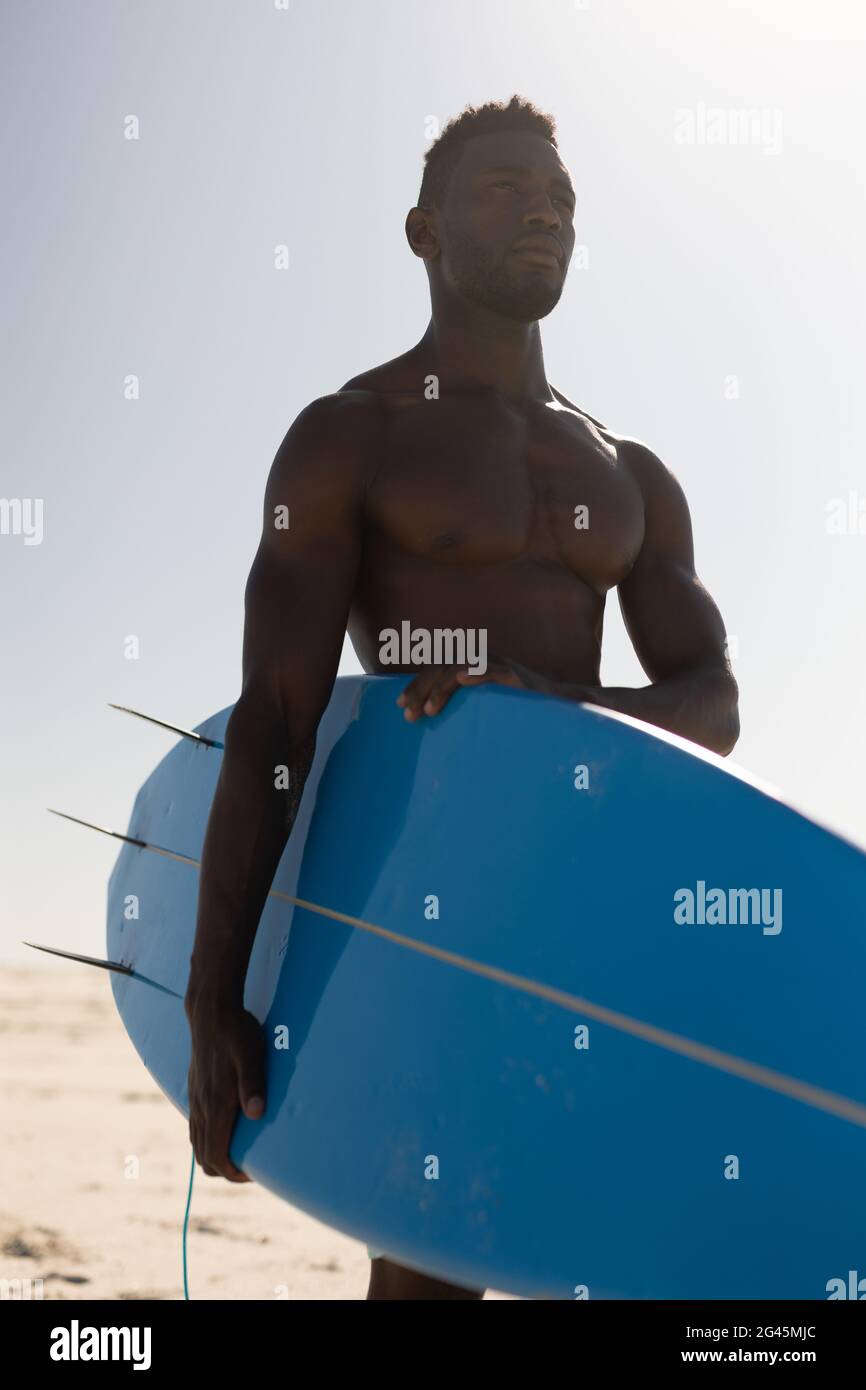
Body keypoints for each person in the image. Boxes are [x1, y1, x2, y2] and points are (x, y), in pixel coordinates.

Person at [184, 95, 739, 1301]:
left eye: (560, 197)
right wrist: (211, 993)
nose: (544, 208)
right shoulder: (347, 438)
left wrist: (554, 702)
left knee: (602, 1252)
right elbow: (276, 724)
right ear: (420, 230)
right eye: (503, 189)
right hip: (440, 901)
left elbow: (713, 706)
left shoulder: (629, 471)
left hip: (604, 892)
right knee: (437, 1255)